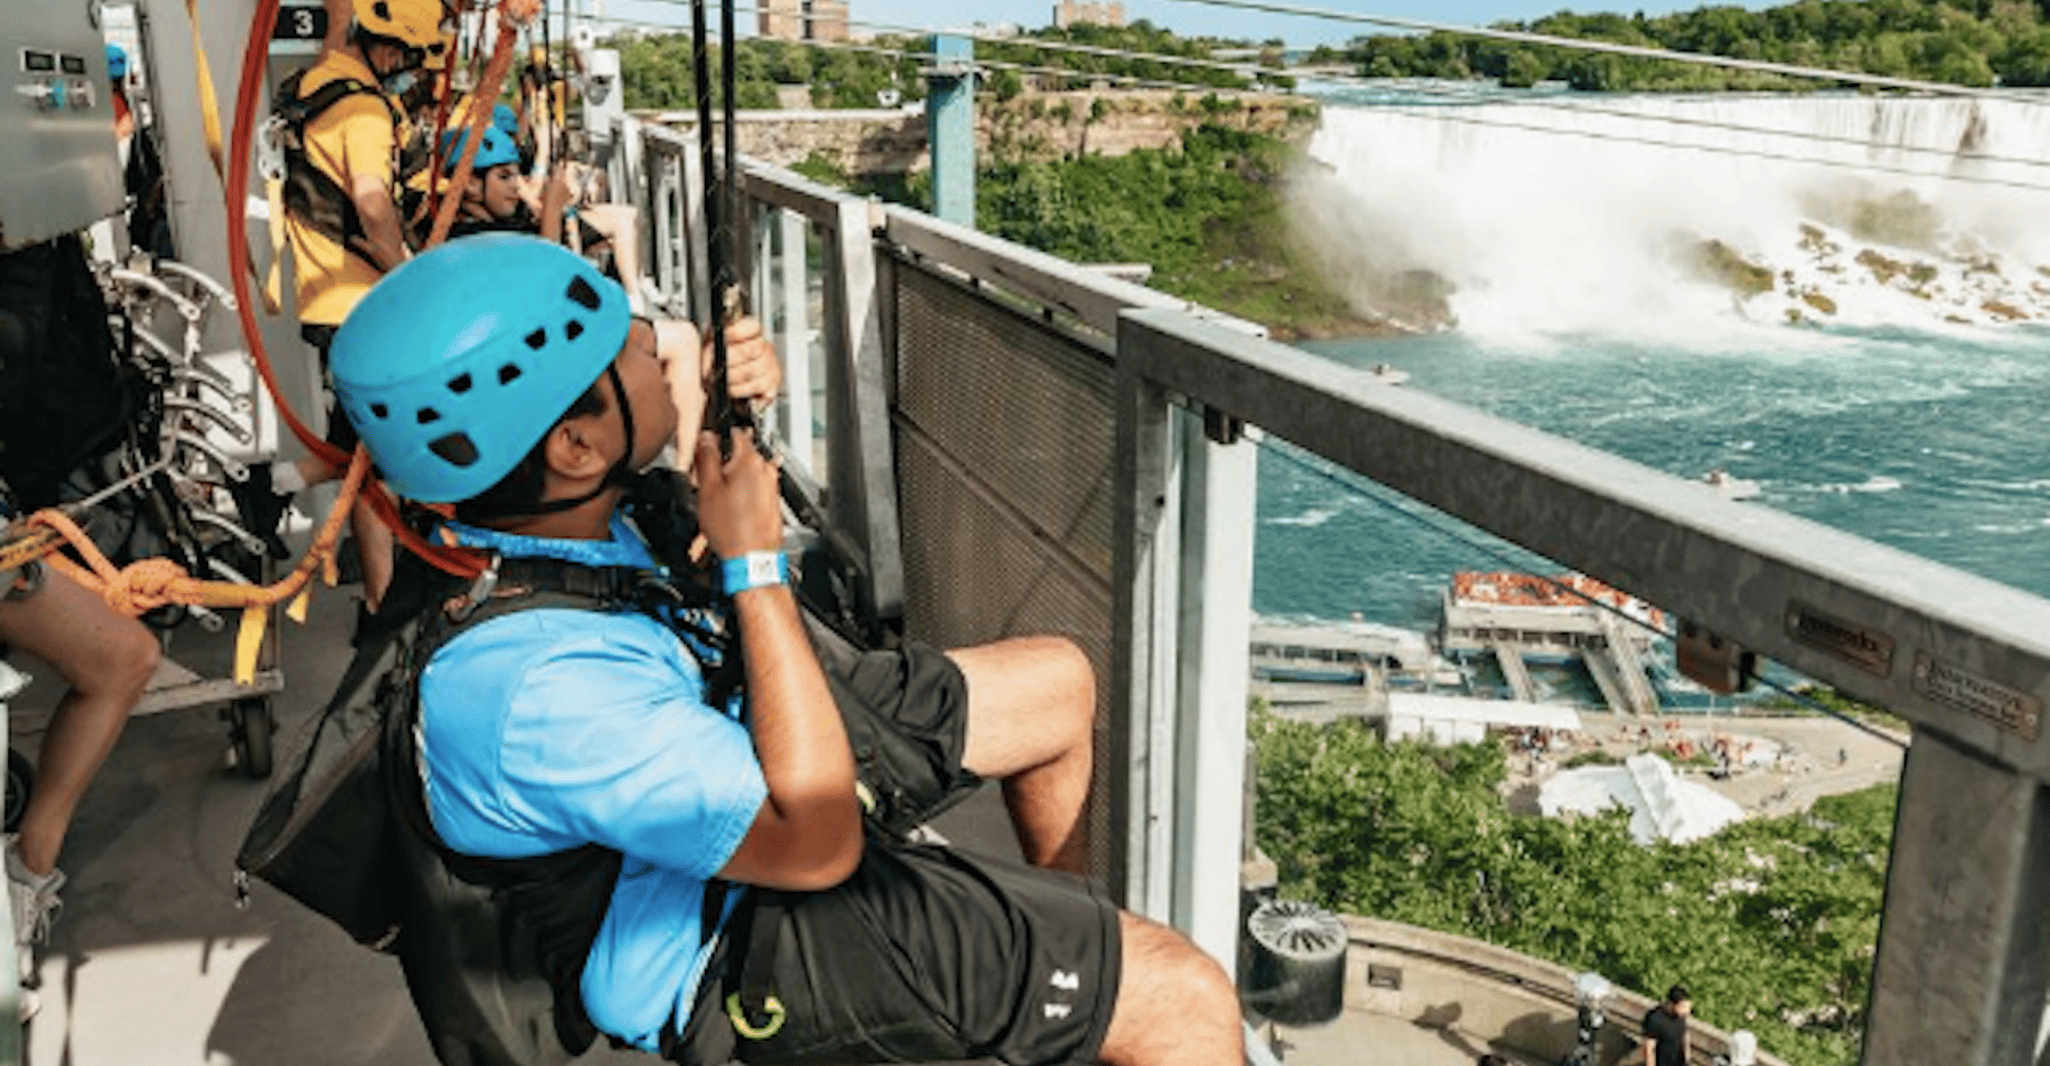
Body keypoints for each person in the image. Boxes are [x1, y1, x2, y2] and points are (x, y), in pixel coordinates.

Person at [328, 234, 1239, 1065]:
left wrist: (713, 394)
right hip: (731, 938)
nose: (656, 343)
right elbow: (817, 842)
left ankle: (1050, 1003)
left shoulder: (538, 527)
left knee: (1056, 686)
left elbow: (663, 449)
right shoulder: (533, 691)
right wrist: (755, 563)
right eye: (628, 345)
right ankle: (1075, 993)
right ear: (573, 445)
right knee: (1182, 996)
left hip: (726, 768)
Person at [246, 0, 446, 610]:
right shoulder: (364, 111)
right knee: (384, 455)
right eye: (409, 60)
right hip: (364, 301)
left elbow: (336, 36)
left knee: (366, 443)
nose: (411, 74)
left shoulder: (321, 80)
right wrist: (409, 276)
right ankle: (385, 603)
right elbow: (373, 204)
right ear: (387, 48)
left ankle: (282, 481)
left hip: (326, 296)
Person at [1641, 984, 1691, 1066]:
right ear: (1673, 1004)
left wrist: (1687, 1059)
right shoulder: (1655, 1018)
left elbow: (1685, 1036)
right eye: (1683, 1007)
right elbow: (1649, 1049)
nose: (1686, 1011)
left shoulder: (1680, 1016)